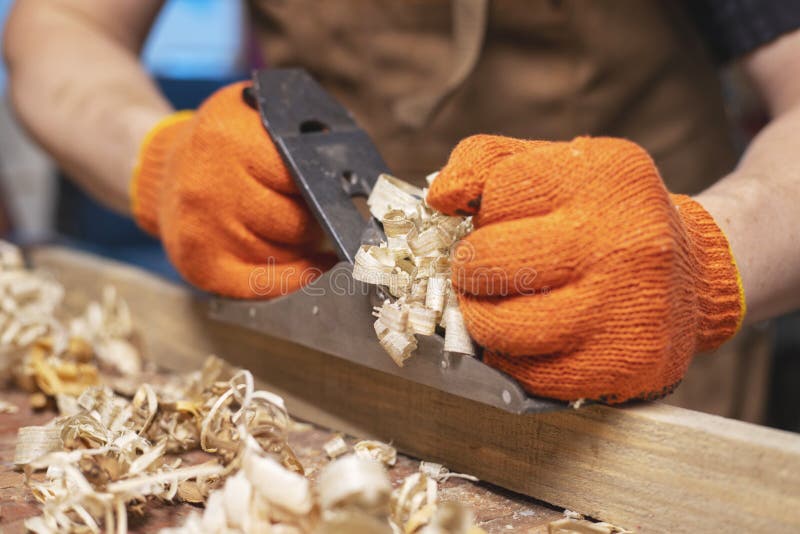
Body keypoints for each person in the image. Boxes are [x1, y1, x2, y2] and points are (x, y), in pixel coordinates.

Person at [4, 1, 800, 410]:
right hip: (314, 358)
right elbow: (59, 26)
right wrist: (159, 158)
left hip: (632, 338)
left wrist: (710, 253)